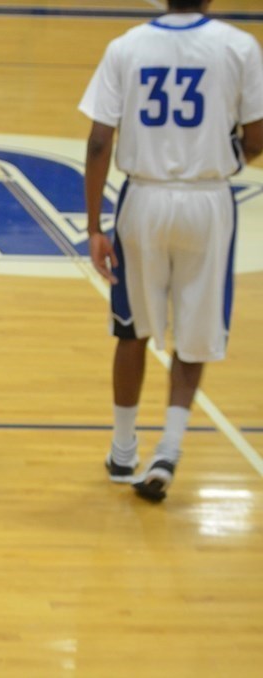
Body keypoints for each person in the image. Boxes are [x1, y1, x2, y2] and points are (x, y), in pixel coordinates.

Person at [79, 0, 263, 502]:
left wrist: (95, 226)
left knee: (131, 328)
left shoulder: (127, 46)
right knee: (195, 332)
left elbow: (99, 142)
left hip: (143, 197)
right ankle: (169, 450)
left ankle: (122, 451)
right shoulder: (240, 45)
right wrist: (225, 156)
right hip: (208, 201)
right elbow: (258, 134)